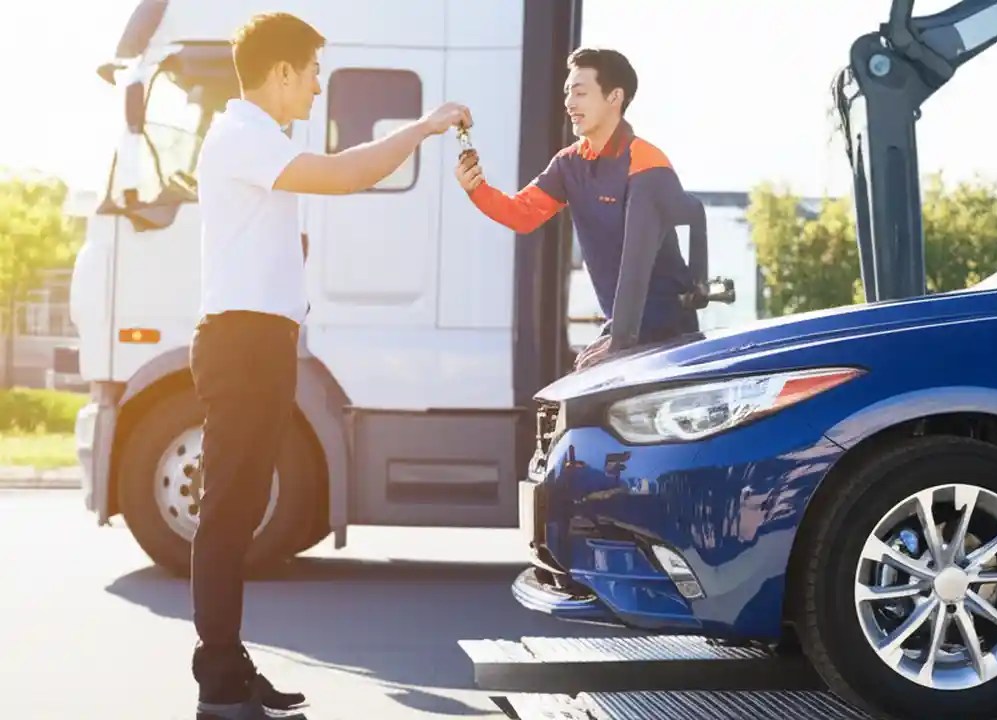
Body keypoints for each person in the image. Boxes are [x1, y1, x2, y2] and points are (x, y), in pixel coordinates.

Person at [190, 12, 470, 719]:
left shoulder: (260, 139)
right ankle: (216, 676)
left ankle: (227, 660)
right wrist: (423, 126)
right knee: (228, 513)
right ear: (281, 72)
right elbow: (345, 176)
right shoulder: (241, 135)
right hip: (242, 345)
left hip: (263, 342)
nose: (318, 86)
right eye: (313, 72)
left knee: (244, 509)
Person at [455, 47, 698, 369]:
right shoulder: (569, 163)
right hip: (624, 328)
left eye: (580, 93)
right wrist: (477, 189)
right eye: (568, 92)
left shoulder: (646, 163)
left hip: (668, 334)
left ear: (614, 97)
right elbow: (522, 215)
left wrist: (620, 338)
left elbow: (636, 262)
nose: (569, 103)